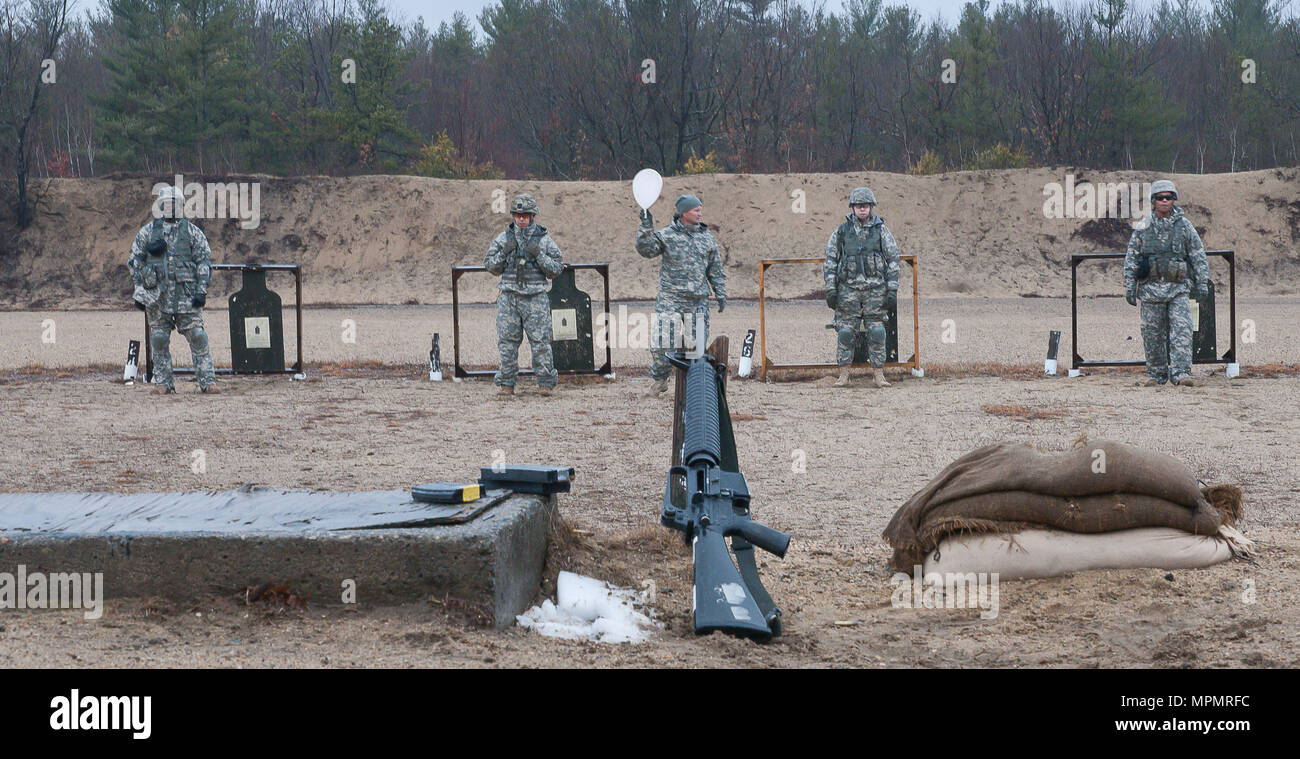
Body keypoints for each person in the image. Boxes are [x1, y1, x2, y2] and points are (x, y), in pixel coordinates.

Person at [127, 185, 219, 394]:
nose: (171, 207)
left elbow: (204, 261)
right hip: (158, 298)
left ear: (181, 206)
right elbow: (134, 262)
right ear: (161, 206)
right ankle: (163, 383)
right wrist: (143, 284)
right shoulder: (148, 233)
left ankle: (208, 381)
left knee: (198, 336)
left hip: (186, 296)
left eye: (175, 203)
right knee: (159, 339)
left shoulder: (193, 232)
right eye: (167, 204)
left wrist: (201, 291)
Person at [636, 193, 726, 395]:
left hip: (698, 301)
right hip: (671, 299)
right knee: (663, 341)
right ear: (684, 212)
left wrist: (720, 293)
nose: (700, 213)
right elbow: (646, 250)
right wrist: (645, 225)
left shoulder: (707, 238)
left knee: (698, 347)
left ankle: (694, 386)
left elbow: (715, 269)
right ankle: (660, 380)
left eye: (700, 209)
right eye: (696, 210)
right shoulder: (666, 235)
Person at [1124, 179, 1209, 387]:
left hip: (1177, 289)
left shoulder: (1184, 226)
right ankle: (1156, 374)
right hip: (1151, 290)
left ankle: (1181, 373)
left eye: (1168, 197)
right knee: (1152, 334)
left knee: (1182, 331)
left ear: (1173, 200)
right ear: (1153, 201)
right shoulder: (1144, 226)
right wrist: (1129, 284)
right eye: (1160, 198)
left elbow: (1198, 254)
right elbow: (1132, 256)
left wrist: (1202, 282)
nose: (1164, 201)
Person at [483, 193, 564, 395]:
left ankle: (545, 383)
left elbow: (556, 268)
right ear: (512, 215)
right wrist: (504, 253)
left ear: (532, 216)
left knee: (541, 342)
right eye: (518, 215)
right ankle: (506, 384)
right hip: (509, 297)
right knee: (507, 343)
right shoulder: (504, 239)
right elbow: (490, 266)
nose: (521, 219)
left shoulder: (544, 240)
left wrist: (539, 255)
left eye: (525, 215)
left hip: (535, 298)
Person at [823, 186, 901, 388]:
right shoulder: (842, 231)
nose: (862, 210)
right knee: (845, 333)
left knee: (877, 332)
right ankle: (843, 375)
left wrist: (892, 289)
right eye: (859, 206)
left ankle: (879, 375)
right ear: (853, 208)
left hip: (875, 291)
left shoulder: (881, 230)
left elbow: (893, 259)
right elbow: (830, 260)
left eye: (866, 206)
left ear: (871, 207)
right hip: (848, 291)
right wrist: (831, 289)